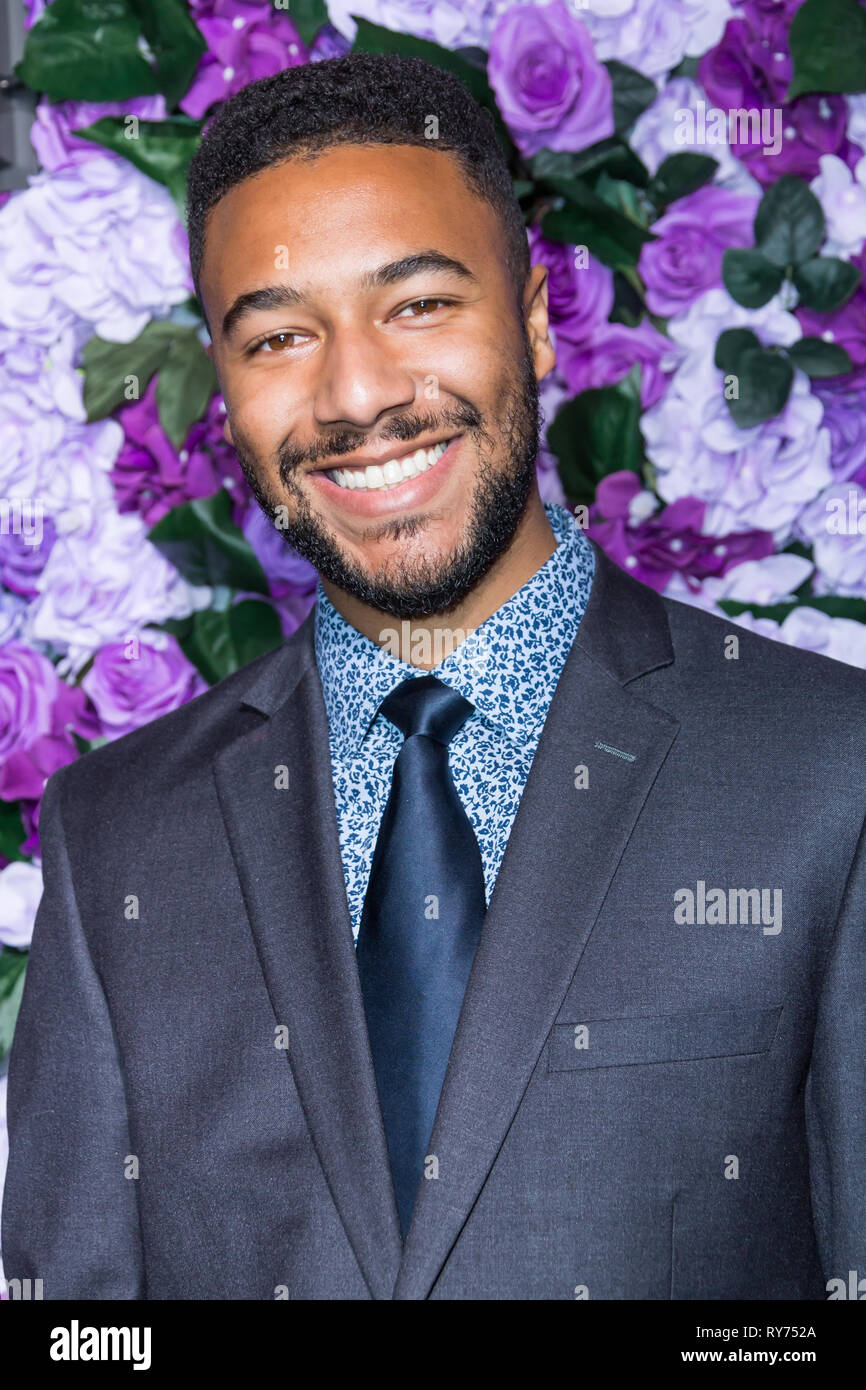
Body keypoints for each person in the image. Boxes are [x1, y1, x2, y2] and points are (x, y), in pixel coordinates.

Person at [2, 52, 864, 1301]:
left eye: (416, 306)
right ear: (225, 393)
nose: (358, 394)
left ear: (530, 318)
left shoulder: (822, 773)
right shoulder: (117, 835)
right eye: (281, 336)